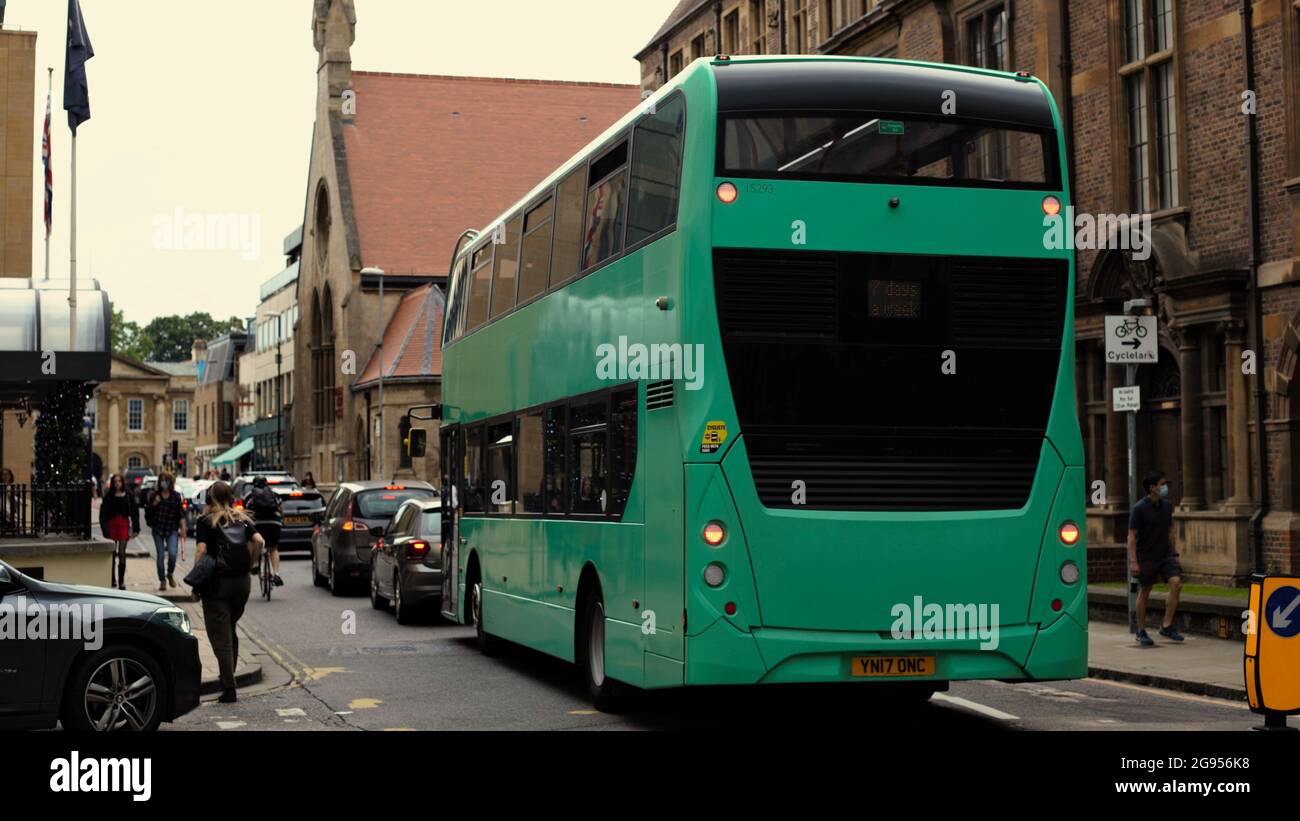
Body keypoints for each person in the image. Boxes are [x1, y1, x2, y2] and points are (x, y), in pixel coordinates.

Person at [194, 481, 264, 703]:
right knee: (230, 628)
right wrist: (251, 564)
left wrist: (197, 583)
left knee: (220, 637)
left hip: (217, 584)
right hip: (241, 584)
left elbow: (201, 550)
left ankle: (229, 687)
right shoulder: (241, 518)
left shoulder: (206, 521)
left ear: (210, 498)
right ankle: (229, 677)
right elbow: (259, 541)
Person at [1129, 470, 1184, 646]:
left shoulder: (1167, 506)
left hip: (1165, 554)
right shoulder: (1139, 508)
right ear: (1152, 488)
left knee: (1176, 583)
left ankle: (1166, 626)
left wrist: (1174, 553)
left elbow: (1170, 530)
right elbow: (1131, 536)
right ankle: (1141, 630)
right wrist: (1134, 561)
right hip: (1146, 556)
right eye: (1162, 484)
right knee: (1145, 591)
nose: (1164, 487)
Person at [98, 474, 140, 590]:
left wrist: (136, 528)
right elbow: (103, 514)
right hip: (112, 526)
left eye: (119, 481)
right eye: (115, 481)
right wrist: (104, 530)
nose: (117, 484)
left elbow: (135, 512)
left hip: (123, 525)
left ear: (122, 483)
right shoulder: (109, 497)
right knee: (112, 553)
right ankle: (112, 579)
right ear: (112, 483)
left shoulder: (128, 496)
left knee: (122, 552)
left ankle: (121, 580)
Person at [147, 472, 186, 591]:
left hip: (172, 529)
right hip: (158, 529)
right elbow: (147, 512)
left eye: (167, 480)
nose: (164, 482)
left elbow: (181, 514)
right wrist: (155, 503)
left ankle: (170, 573)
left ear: (171, 482)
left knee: (173, 554)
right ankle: (162, 580)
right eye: (162, 480)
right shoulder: (154, 495)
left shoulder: (176, 496)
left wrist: (183, 529)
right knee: (160, 555)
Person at [246, 476, 284, 586]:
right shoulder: (274, 494)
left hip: (257, 524)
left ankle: (256, 564)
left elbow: (246, 512)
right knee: (273, 548)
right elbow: (281, 510)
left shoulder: (250, 496)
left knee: (253, 542)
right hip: (274, 523)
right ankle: (276, 574)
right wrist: (281, 520)